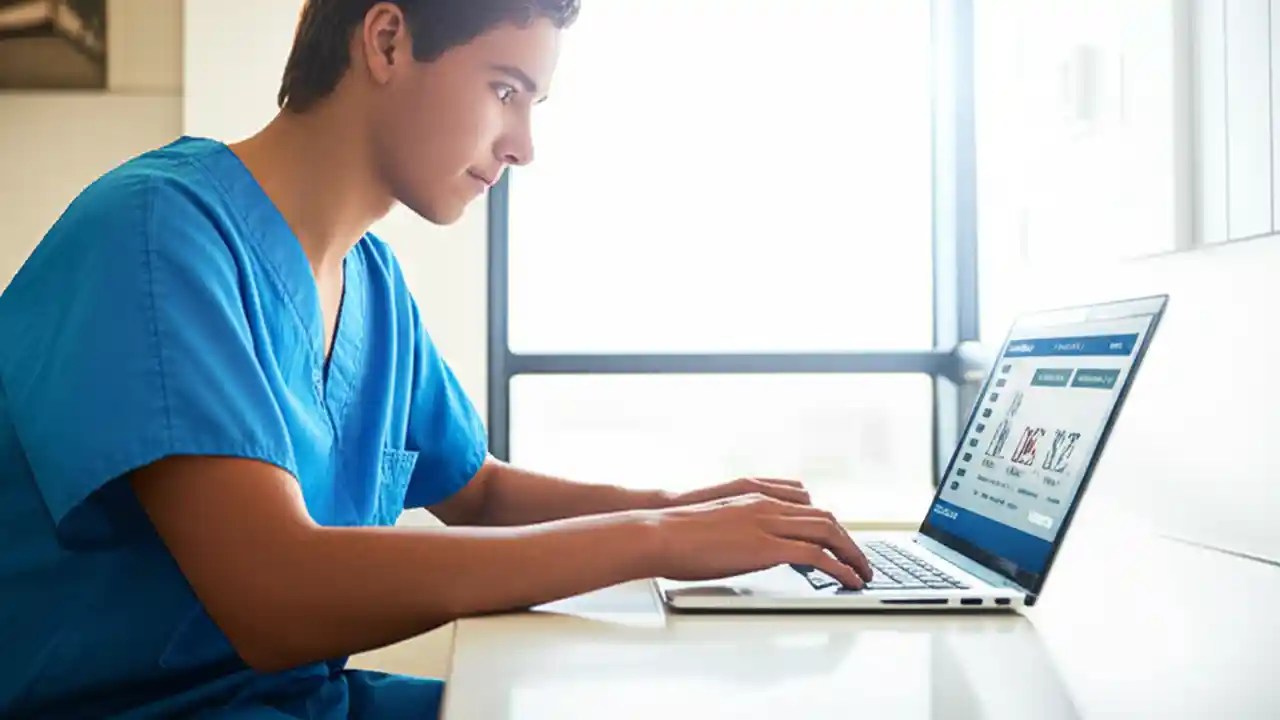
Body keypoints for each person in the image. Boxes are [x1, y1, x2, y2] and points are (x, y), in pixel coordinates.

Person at [0, 1, 872, 717]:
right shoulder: (157, 235)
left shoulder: (369, 281)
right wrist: (655, 540)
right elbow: (274, 595)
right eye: (505, 89)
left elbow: (478, 491)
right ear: (387, 40)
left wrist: (684, 508)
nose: (523, 142)